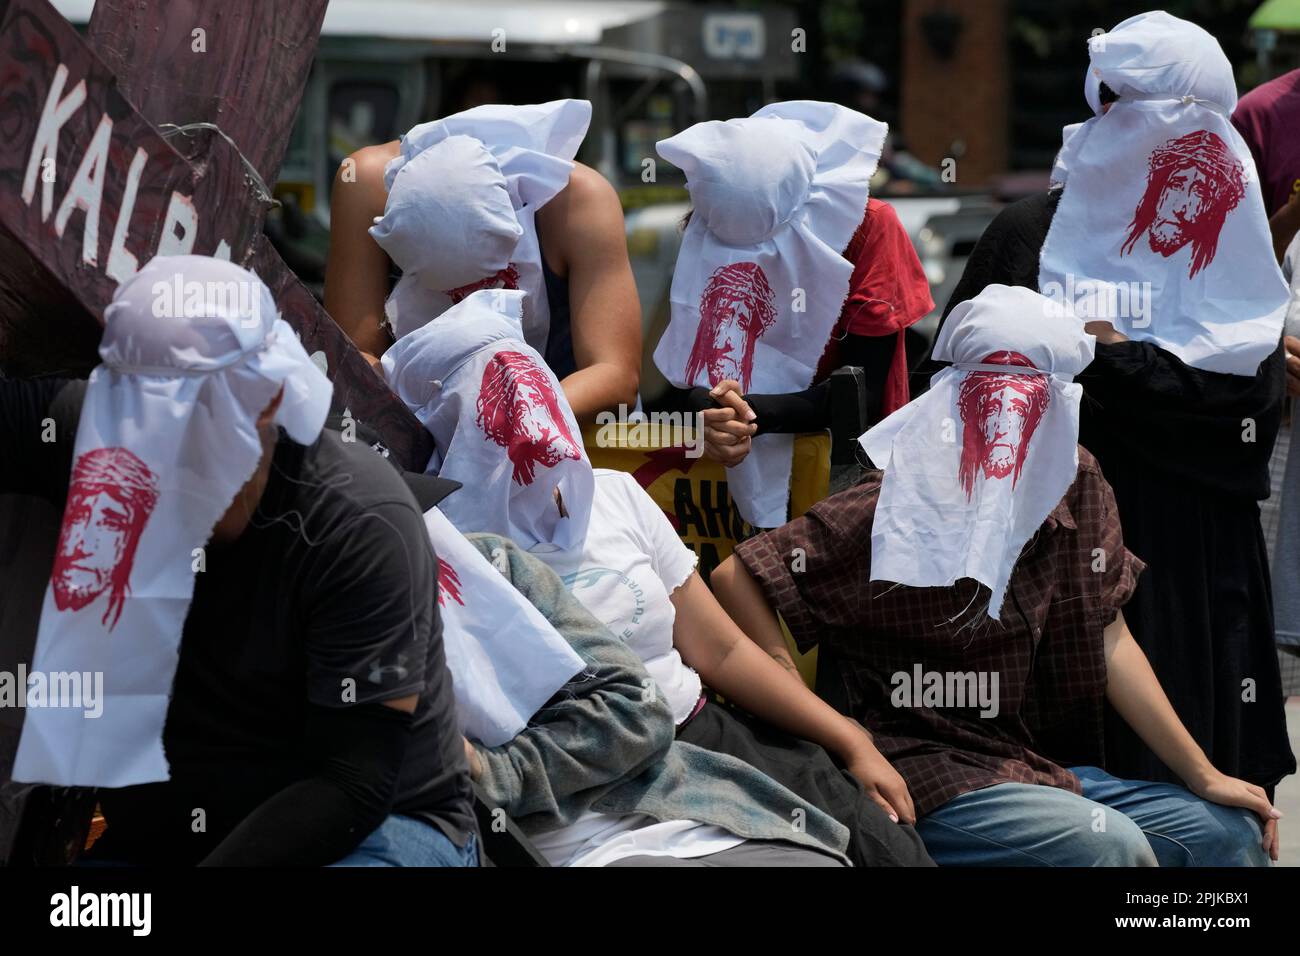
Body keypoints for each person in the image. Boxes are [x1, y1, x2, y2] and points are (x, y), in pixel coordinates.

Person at [714, 284, 1279, 867]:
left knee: (1228, 835)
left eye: (1028, 400)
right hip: (920, 769)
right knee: (1107, 847)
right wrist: (802, 707)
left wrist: (1205, 774)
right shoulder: (894, 498)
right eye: (988, 398)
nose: (1006, 421)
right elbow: (738, 576)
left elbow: (1109, 638)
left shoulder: (1078, 479)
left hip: (1028, 763)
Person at [383, 287, 935, 867]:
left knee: (883, 843)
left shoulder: (617, 495)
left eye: (534, 395)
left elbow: (719, 651)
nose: (529, 425)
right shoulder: (452, 561)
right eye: (498, 409)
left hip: (703, 735)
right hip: (580, 784)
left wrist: (850, 741)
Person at [920, 12, 1295, 796]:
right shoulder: (1031, 234)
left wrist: (1107, 358)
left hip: (1199, 563)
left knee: (1213, 808)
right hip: (1064, 556)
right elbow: (956, 393)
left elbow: (1253, 401)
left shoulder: (1233, 245)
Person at [2, 255, 476, 867]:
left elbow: (351, 780)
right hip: (170, 835)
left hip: (372, 830)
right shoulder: (88, 439)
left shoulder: (356, 519)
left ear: (268, 401)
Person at [422, 507, 852, 867]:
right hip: (562, 845)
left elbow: (640, 709)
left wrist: (853, 743)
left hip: (679, 782)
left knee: (866, 839)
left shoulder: (489, 559)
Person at [648, 101, 933, 528]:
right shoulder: (705, 227)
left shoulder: (870, 228)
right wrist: (710, 415)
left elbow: (863, 389)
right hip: (721, 476)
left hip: (848, 477)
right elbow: (690, 368)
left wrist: (747, 415)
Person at [324, 99, 641, 422]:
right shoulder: (364, 185)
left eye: (486, 283)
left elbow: (615, 375)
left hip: (558, 418)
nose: (467, 302)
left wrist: (501, 420)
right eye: (452, 293)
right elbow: (356, 357)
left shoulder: (578, 202)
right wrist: (431, 415)